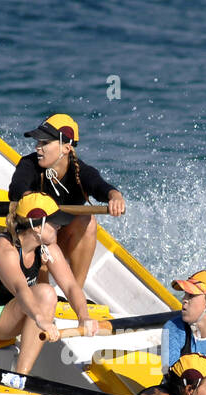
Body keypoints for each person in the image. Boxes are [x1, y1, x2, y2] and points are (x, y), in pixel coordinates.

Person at [0, 192, 96, 373]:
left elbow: (71, 287)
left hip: (2, 319)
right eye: (54, 222)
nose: (60, 226)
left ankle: (20, 376)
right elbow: (20, 289)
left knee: (47, 293)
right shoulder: (2, 249)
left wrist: (83, 316)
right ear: (37, 227)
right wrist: (41, 320)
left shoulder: (47, 249)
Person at [8, 113, 125, 290]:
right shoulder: (28, 164)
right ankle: (42, 289)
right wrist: (38, 203)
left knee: (88, 220)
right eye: (38, 142)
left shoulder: (80, 172)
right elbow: (16, 189)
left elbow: (100, 186)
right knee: (45, 231)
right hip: (29, 240)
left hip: (58, 242)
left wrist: (115, 197)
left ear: (66, 148)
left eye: (44, 143)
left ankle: (75, 292)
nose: (38, 148)